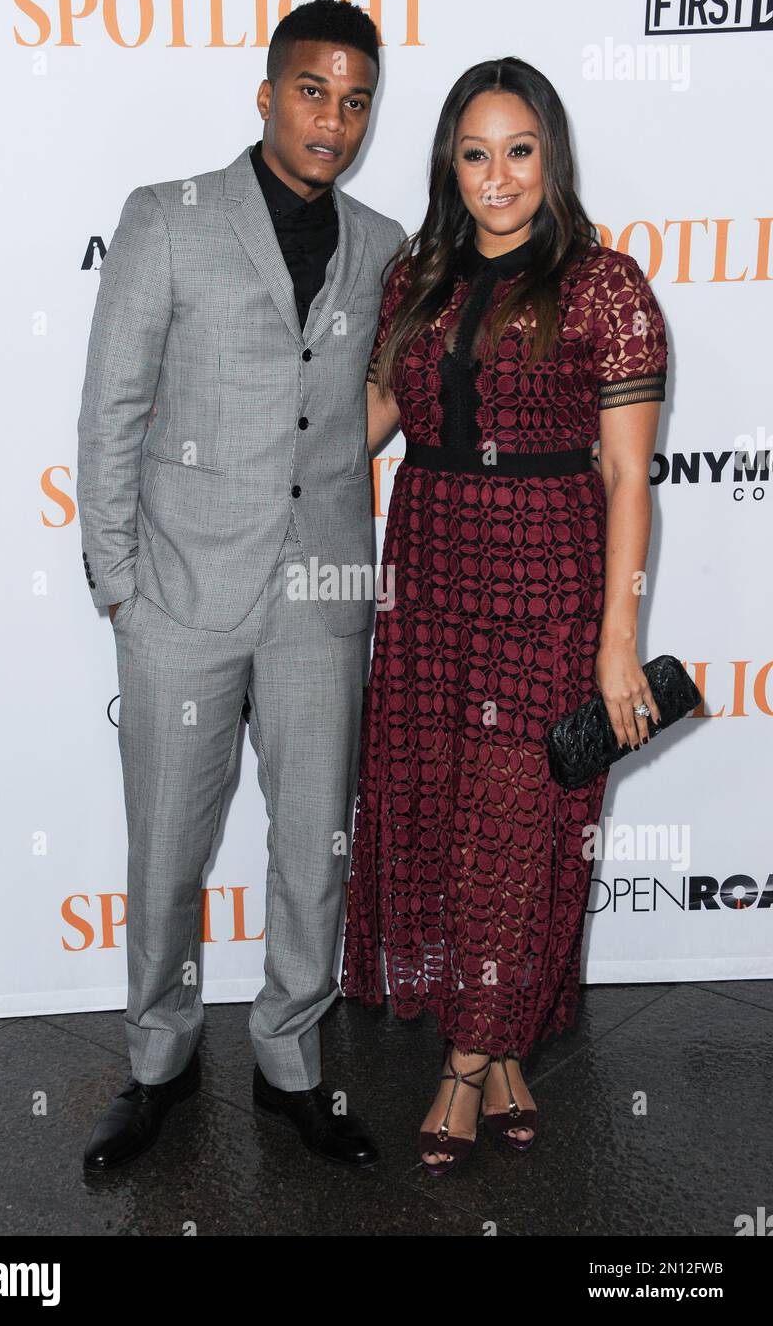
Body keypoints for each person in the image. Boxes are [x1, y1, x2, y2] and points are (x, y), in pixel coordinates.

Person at [76, 0, 406, 1172]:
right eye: (313, 91)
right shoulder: (168, 220)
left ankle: (290, 1062)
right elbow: (113, 402)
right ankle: (158, 1057)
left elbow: (378, 396)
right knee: (166, 852)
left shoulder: (383, 243)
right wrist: (117, 579)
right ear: (266, 94)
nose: (334, 119)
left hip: (320, 597)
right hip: (179, 594)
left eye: (356, 99)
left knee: (313, 846)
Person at [340, 57, 668, 1174]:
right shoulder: (416, 280)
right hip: (429, 573)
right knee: (445, 812)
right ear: (450, 164)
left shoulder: (604, 287)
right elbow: (371, 421)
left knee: (517, 821)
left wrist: (616, 637)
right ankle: (507, 1046)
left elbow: (629, 479)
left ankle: (467, 1067)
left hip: (549, 580)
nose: (497, 176)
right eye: (474, 154)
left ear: (551, 158)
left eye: (518, 151)